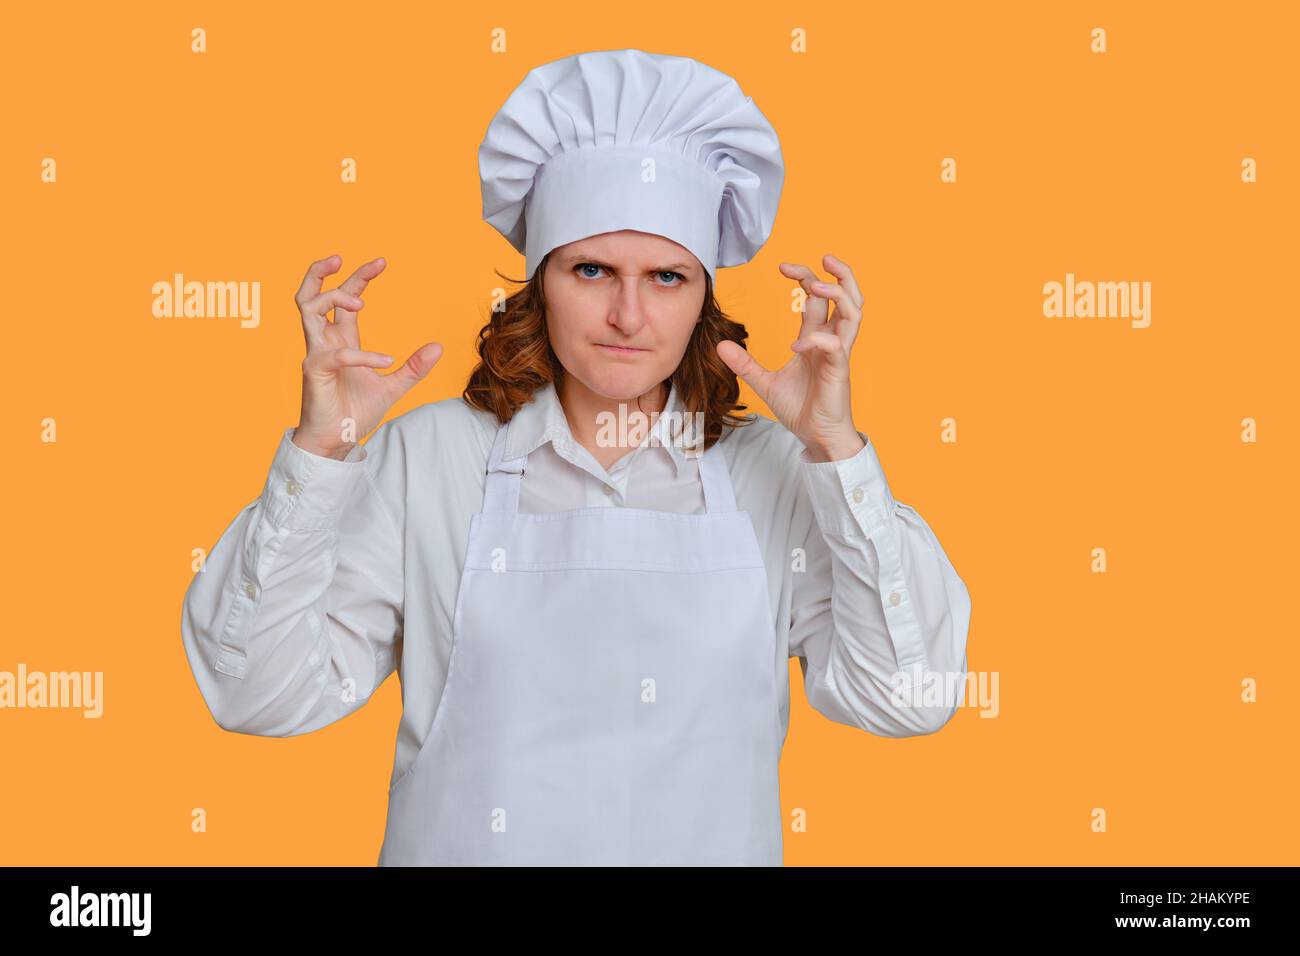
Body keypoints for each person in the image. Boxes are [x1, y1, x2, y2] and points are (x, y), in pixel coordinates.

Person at [180, 48, 971, 866]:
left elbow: (906, 699)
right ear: (539, 283)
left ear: (704, 298)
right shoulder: (433, 460)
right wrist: (319, 454)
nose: (628, 314)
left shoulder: (768, 474)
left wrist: (836, 453)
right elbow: (256, 695)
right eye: (592, 269)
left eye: (666, 277)